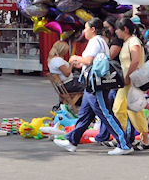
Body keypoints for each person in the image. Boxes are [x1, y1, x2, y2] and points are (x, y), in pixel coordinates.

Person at [53, 18, 131, 155]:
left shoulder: (95, 42)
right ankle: (72, 140)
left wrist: (75, 58)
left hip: (97, 85)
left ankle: (124, 144)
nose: (84, 31)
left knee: (106, 114)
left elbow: (89, 60)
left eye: (86, 28)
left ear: (93, 29)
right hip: (91, 84)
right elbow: (92, 62)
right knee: (85, 115)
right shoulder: (100, 41)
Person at [113, 18, 149, 150]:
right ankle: (121, 136)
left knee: (135, 111)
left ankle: (145, 141)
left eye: (118, 29)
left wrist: (128, 76)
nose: (116, 32)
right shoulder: (127, 42)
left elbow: (135, 61)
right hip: (126, 82)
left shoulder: (134, 41)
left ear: (125, 29)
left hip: (133, 81)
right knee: (118, 109)